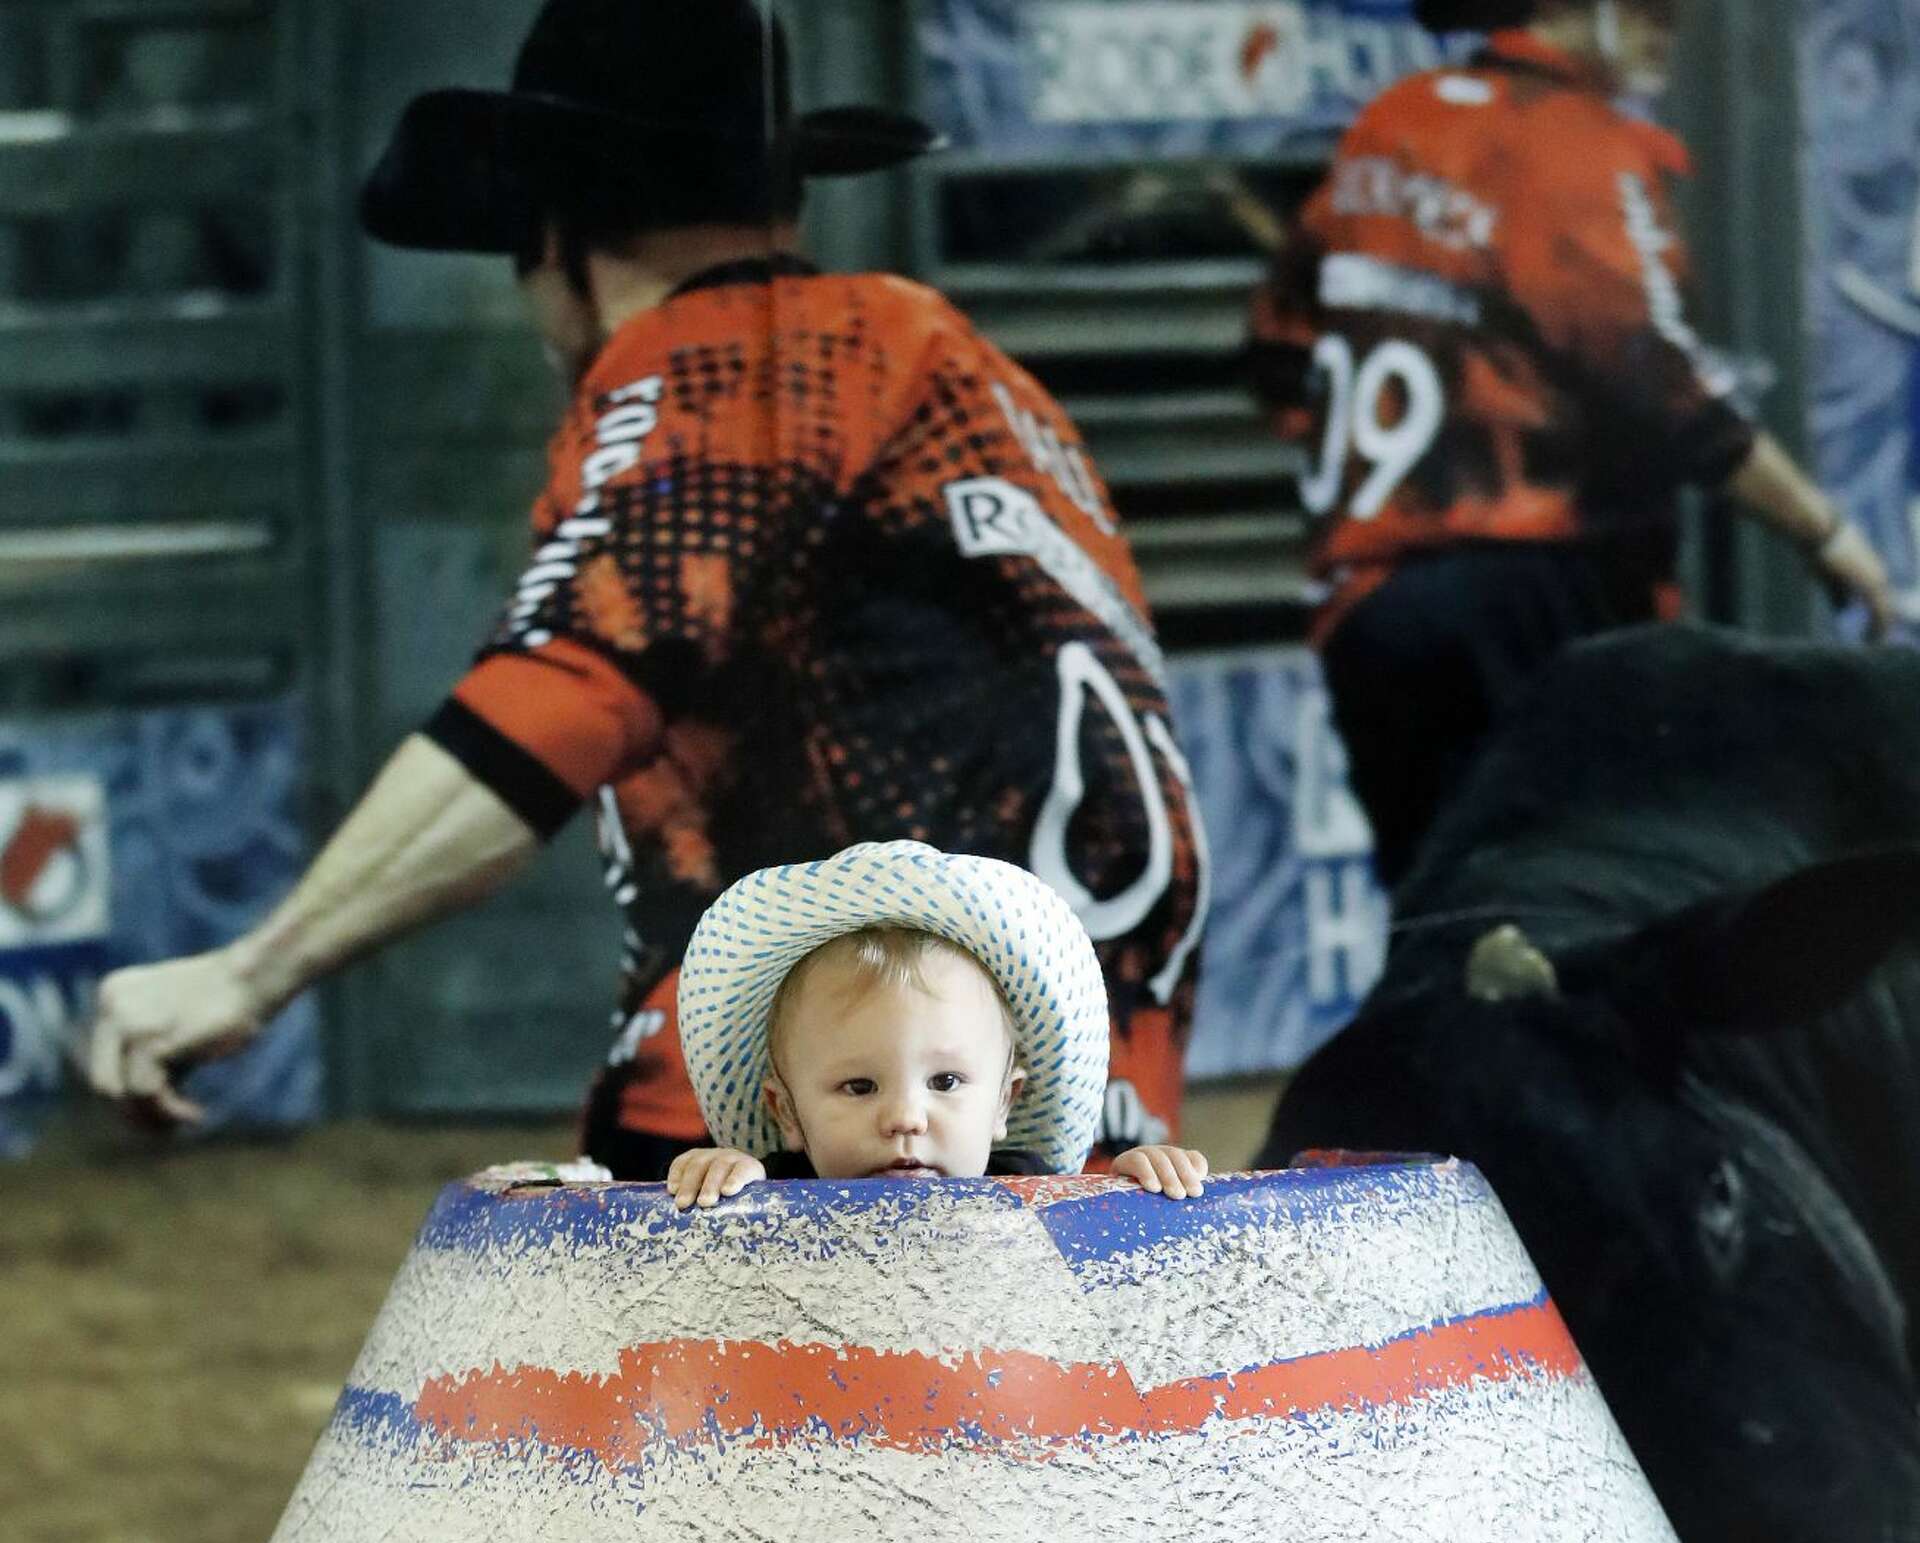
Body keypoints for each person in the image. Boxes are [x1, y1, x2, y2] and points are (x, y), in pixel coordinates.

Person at [87, 0, 1208, 1165]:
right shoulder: (958, 375)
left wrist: (248, 972)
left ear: (553, 237)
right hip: (1048, 1084)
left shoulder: (739, 361)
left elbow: (566, 688)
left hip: (844, 1105)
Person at [1245, 0, 1899, 886]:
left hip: (1371, 611)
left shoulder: (1392, 122)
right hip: (1530, 594)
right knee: (1580, 925)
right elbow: (1657, 381)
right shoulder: (1572, 142)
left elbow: (1275, 352)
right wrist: (1825, 533)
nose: (1671, 17)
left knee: (1445, 930)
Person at [664, 843, 1208, 1206]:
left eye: (945, 1082)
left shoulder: (1034, 1191)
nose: (905, 1119)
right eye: (859, 1086)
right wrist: (725, 1183)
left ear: (1003, 1101)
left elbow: (1101, 1266)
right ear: (786, 1112)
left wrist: (1133, 1187)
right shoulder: (775, 1192)